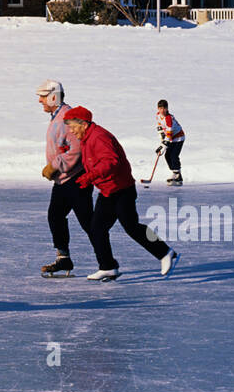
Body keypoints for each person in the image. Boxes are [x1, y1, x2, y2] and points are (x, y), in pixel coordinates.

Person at [63, 105, 178, 281]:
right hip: (109, 190)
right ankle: (107, 267)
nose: (71, 131)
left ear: (83, 124)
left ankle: (165, 252)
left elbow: (111, 162)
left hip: (121, 189)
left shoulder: (99, 137)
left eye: (72, 126)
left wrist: (91, 176)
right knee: (96, 228)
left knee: (131, 226)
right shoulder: (88, 137)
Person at [35, 79, 91, 277]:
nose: (40, 101)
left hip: (76, 179)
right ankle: (63, 258)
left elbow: (76, 151)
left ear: (53, 96)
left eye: (42, 97)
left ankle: (106, 261)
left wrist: (54, 166)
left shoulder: (67, 118)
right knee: (55, 216)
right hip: (63, 180)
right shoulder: (57, 116)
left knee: (89, 222)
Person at [155, 99, 185, 186]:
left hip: (179, 138)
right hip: (171, 138)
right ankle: (175, 173)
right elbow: (159, 126)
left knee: (174, 155)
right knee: (167, 156)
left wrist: (163, 145)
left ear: (167, 108)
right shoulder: (158, 115)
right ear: (158, 109)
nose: (162, 110)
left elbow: (169, 134)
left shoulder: (169, 119)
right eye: (160, 108)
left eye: (164, 108)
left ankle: (178, 175)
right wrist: (161, 137)